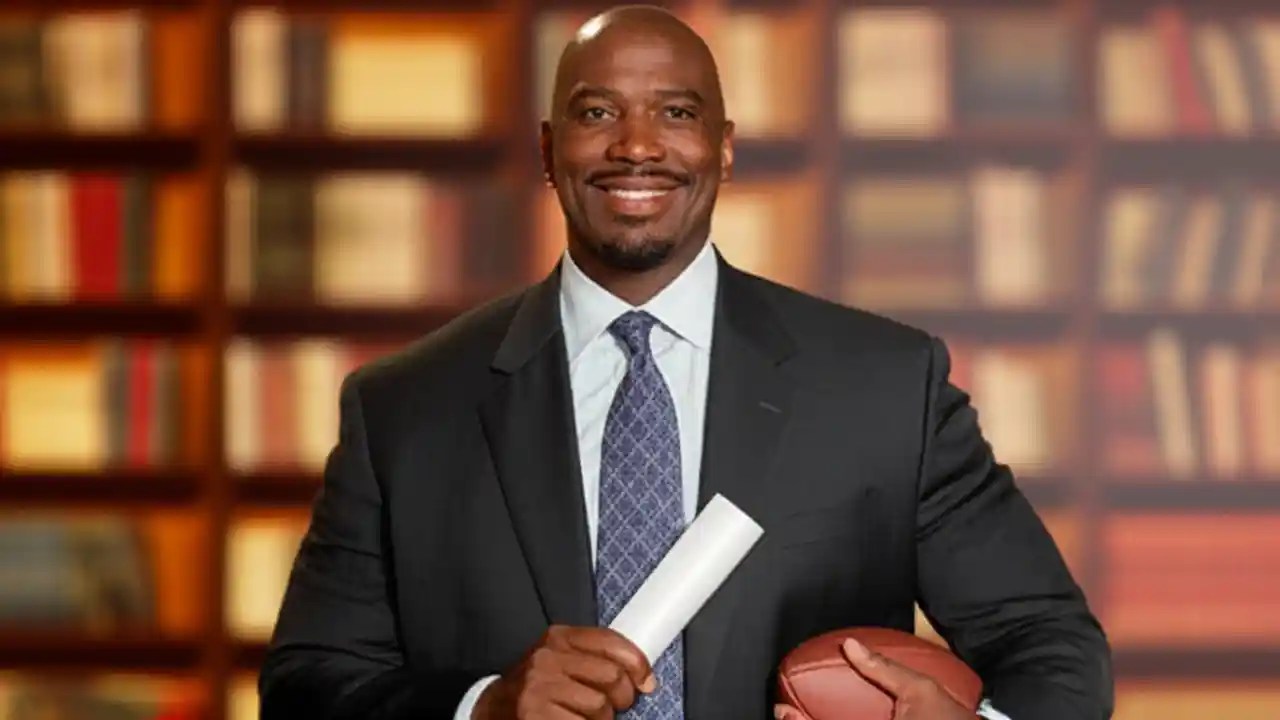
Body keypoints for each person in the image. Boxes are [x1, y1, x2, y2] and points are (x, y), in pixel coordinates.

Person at [260, 5, 1113, 719]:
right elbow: (306, 690)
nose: (638, 146)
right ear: (549, 152)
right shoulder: (405, 410)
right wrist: (482, 705)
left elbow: (1056, 650)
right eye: (598, 114)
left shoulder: (887, 387)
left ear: (725, 147)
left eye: (676, 113)